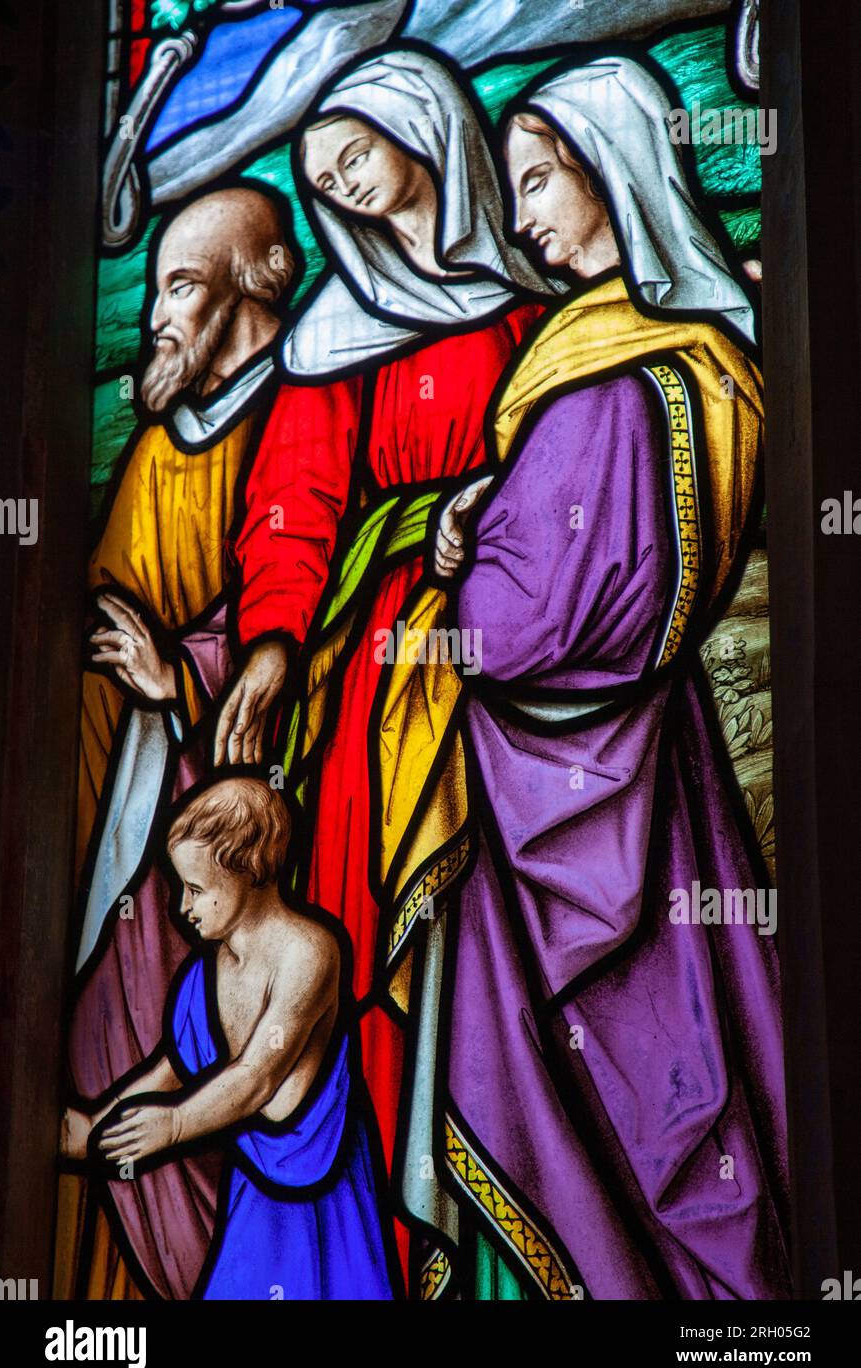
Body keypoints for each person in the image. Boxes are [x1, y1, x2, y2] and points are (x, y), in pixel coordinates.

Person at [382, 56, 790, 1299]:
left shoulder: (607, 384)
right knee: (698, 1071)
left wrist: (451, 569)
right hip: (648, 778)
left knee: (648, 1105)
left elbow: (520, 620)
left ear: (612, 168)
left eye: (541, 180)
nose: (526, 219)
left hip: (575, 807)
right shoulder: (690, 359)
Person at [246, 47, 556, 1283]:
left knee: (512, 960)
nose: (346, 188)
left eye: (355, 153)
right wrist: (273, 640)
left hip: (523, 680)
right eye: (322, 179)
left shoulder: (541, 307)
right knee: (396, 957)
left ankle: (523, 1226)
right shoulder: (337, 340)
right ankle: (394, 1243)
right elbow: (294, 501)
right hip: (380, 692)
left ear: (424, 128)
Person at [59, 186, 362, 1300]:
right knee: (105, 1041)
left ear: (259, 279)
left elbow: (292, 638)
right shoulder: (156, 439)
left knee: (150, 1057)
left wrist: (177, 681)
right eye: (155, 290)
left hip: (207, 820)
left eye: (181, 284)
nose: (158, 317)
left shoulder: (303, 406)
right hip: (118, 818)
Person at [61, 778, 394, 1301]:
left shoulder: (308, 952)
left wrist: (174, 1124)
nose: (181, 907)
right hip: (254, 1192)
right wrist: (99, 1127)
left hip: (322, 1196)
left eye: (196, 889)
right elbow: (174, 1066)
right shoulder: (205, 972)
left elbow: (257, 1079)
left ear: (247, 869)